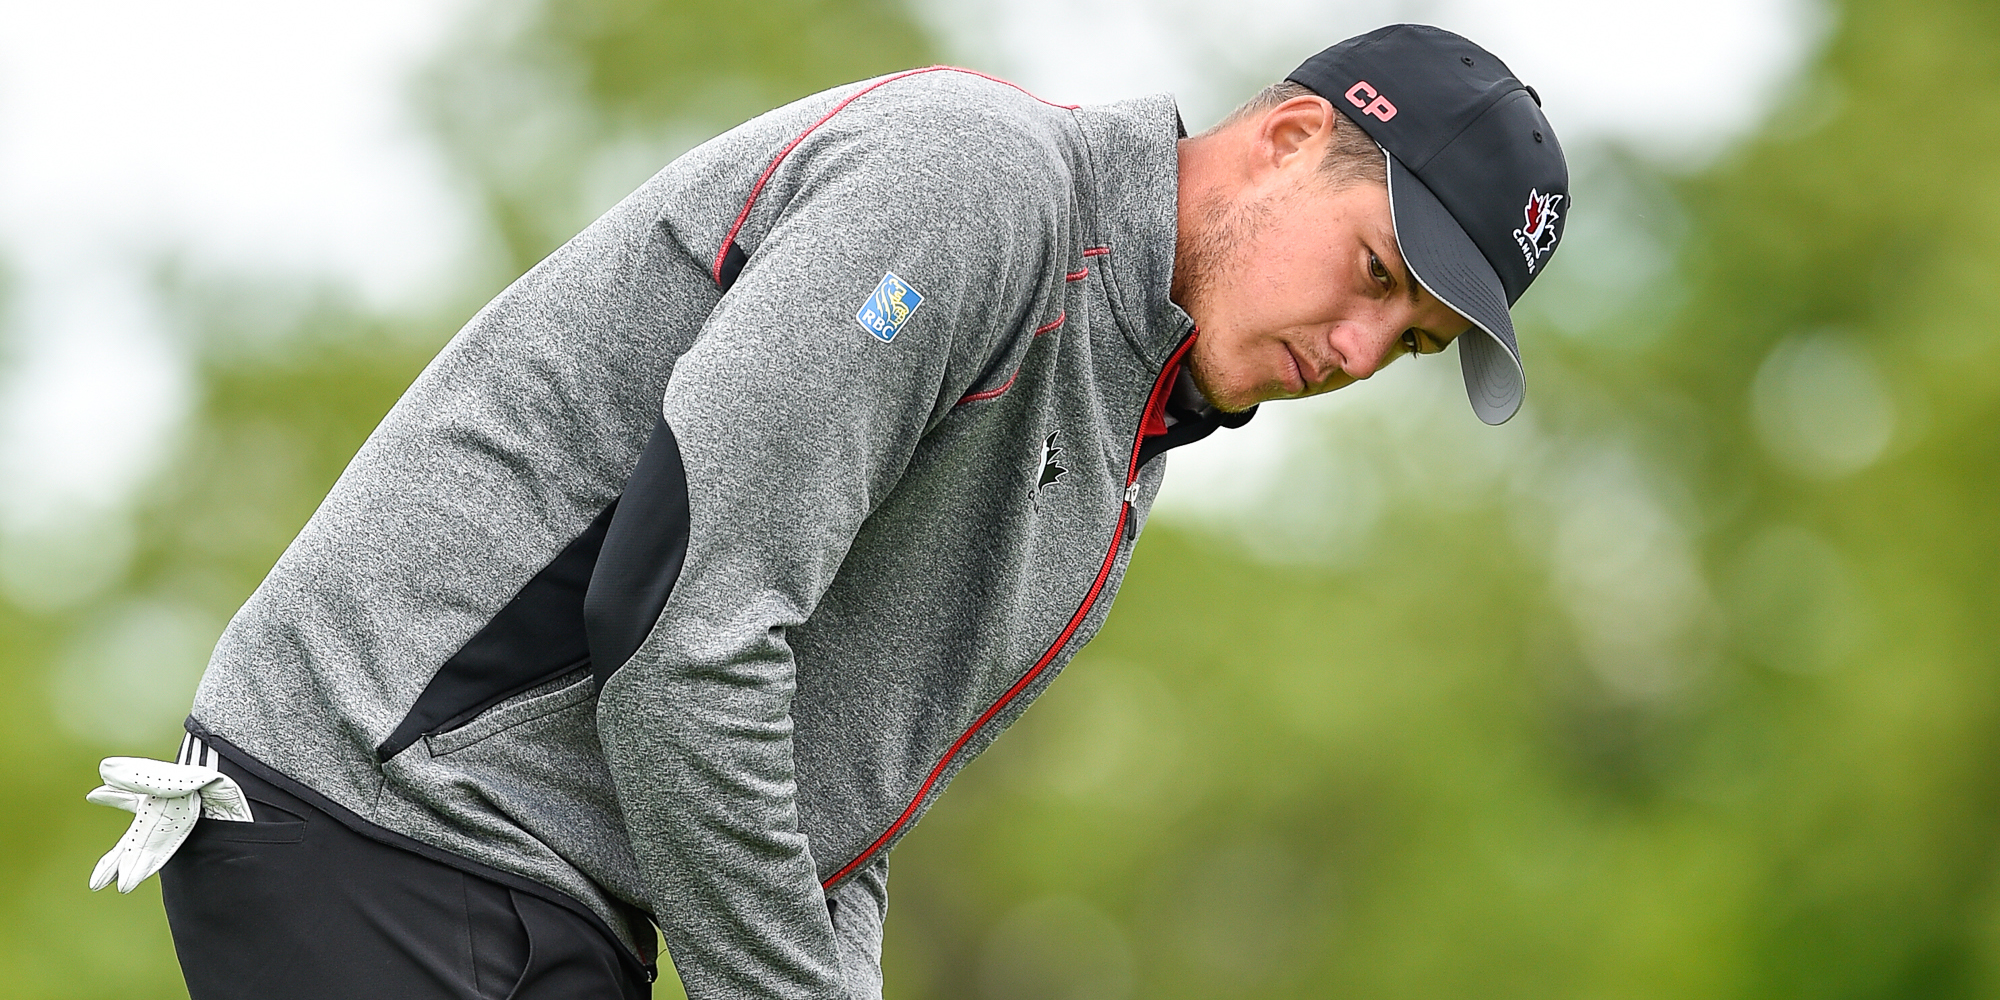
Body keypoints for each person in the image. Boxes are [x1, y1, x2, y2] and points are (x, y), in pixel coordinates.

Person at [84, 22, 1568, 1000]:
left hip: (555, 883)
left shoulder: (1124, 435)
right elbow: (679, 627)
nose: (1361, 353)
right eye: (1377, 276)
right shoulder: (976, 186)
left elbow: (830, 811)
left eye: (1416, 344)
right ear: (1287, 139)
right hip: (381, 800)